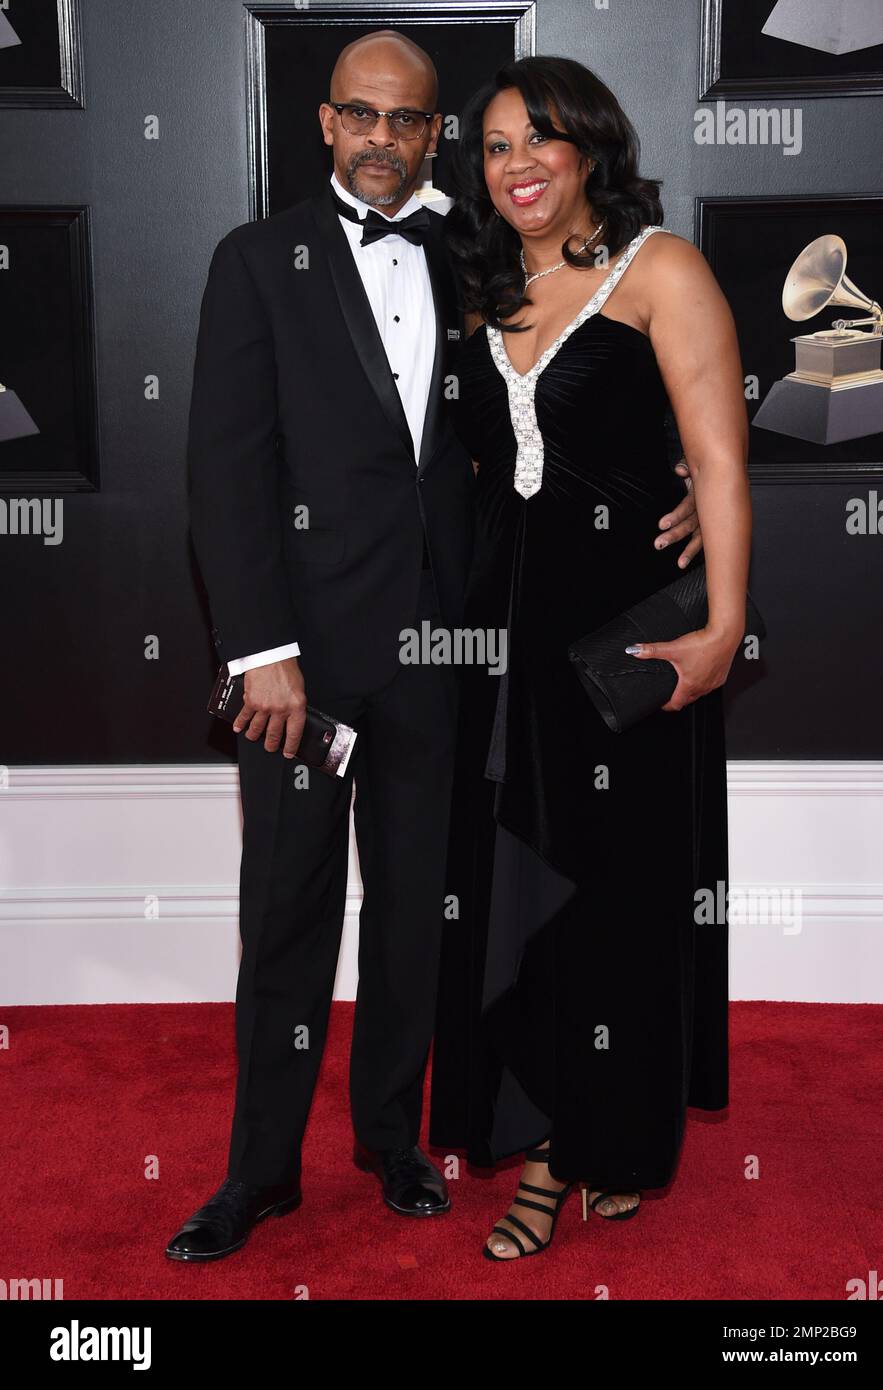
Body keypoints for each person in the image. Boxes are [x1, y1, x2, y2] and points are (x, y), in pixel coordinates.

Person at [169, 32, 702, 1262]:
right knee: (289, 918)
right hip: (297, 664)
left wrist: (663, 470)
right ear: (324, 124)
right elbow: (224, 472)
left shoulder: (480, 257)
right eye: (358, 115)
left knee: (420, 917)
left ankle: (392, 1143)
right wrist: (260, 651)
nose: (380, 138)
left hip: (450, 652)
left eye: (406, 121)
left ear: (430, 136)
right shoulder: (256, 263)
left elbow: (574, 382)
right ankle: (259, 1175)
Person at [428, 55, 752, 1261]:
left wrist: (721, 625)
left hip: (620, 639)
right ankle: (564, 1129)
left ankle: (587, 1144)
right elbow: (477, 473)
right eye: (496, 144)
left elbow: (717, 460)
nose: (515, 164)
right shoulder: (479, 291)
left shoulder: (659, 269)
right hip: (496, 640)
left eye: (539, 139)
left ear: (590, 149)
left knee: (610, 892)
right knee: (514, 880)